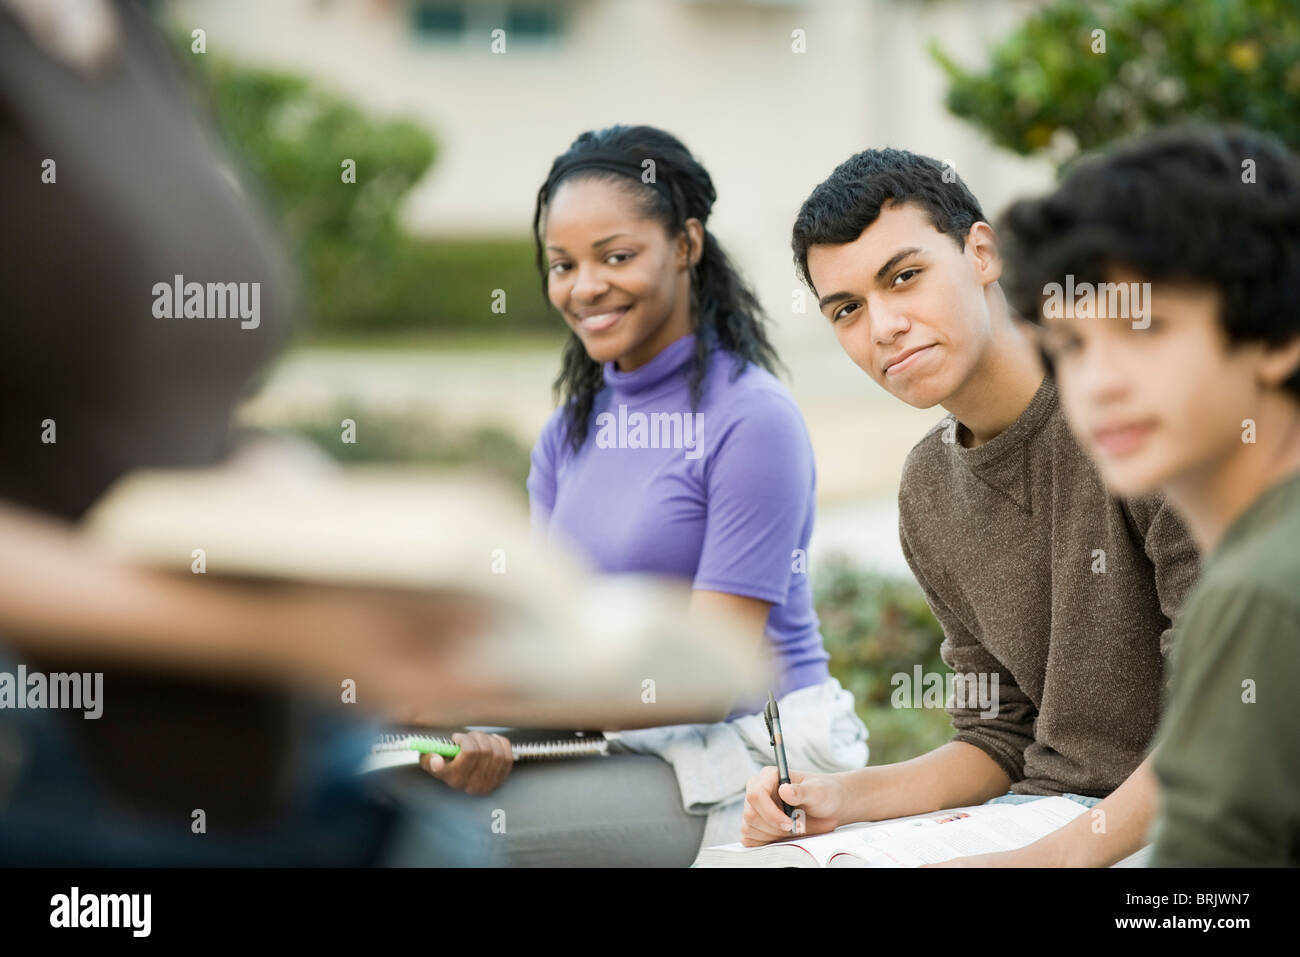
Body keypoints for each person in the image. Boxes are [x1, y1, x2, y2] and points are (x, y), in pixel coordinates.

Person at [0, 0, 492, 865]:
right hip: (57, 780)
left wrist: (292, 497)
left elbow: (153, 407)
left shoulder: (128, 37)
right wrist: (272, 631)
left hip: (266, 774)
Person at [386, 124, 868, 865]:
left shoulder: (751, 418)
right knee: (390, 801)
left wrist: (487, 703)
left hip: (751, 759)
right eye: (562, 264)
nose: (584, 287)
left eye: (616, 256)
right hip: (628, 742)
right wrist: (490, 738)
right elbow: (559, 636)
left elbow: (712, 672)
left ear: (686, 245)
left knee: (445, 838)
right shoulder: (566, 434)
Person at [741, 146, 1201, 866]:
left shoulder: (1134, 410)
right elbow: (998, 734)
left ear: (980, 252)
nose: (884, 325)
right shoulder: (927, 486)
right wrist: (840, 797)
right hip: (1046, 814)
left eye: (905, 277)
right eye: (848, 308)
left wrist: (1043, 861)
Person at [997, 124, 1300, 866]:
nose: (1099, 383)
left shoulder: (1263, 589)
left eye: (1145, 328)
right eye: (1070, 345)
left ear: (1277, 334)